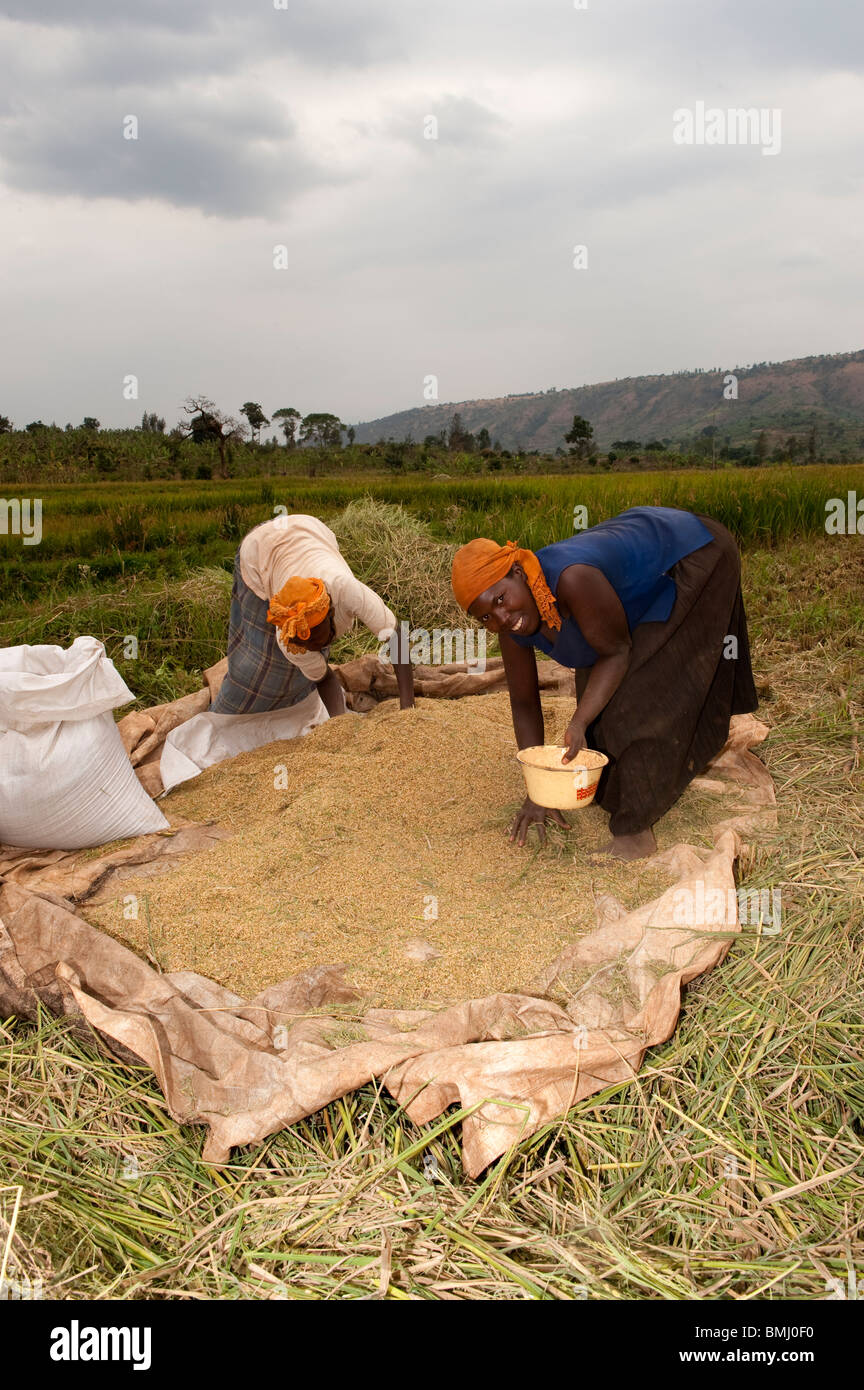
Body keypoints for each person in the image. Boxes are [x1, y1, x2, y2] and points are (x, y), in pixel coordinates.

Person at [450, 506, 758, 860]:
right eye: (486, 616)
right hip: (636, 572)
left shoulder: (572, 579)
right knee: (599, 709)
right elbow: (523, 701)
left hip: (693, 554)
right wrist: (538, 789)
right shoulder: (510, 628)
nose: (502, 618)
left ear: (518, 572)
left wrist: (578, 720)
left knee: (636, 699)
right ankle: (622, 788)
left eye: (501, 599)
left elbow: (615, 654)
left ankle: (635, 832)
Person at [160, 513, 413, 790]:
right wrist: (341, 726)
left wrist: (407, 708)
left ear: (329, 612)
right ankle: (229, 719)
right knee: (255, 668)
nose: (317, 649)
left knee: (298, 672)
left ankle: (291, 709)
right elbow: (324, 677)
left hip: (310, 533)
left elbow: (396, 638)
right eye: (308, 645)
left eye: (319, 640)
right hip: (260, 555)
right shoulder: (289, 635)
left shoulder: (347, 590)